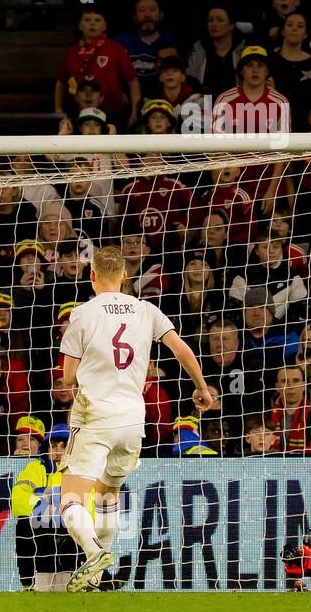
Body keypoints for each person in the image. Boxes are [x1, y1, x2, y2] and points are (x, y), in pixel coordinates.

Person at [59, 246, 213, 592]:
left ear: (92, 275)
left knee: (70, 497)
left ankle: (94, 551)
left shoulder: (82, 314)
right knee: (108, 492)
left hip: (95, 414)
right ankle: (97, 578)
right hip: (132, 420)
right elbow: (181, 349)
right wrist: (201, 387)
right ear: (126, 276)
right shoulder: (146, 309)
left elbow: (68, 378)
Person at [13, 426, 83, 590]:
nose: (58, 451)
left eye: (64, 446)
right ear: (46, 448)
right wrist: (48, 510)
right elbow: (18, 498)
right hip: (41, 523)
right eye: (54, 445)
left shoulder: (80, 472)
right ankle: (28, 584)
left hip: (72, 524)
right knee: (24, 524)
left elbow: (90, 503)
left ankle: (77, 579)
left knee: (85, 527)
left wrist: (52, 506)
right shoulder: (36, 468)